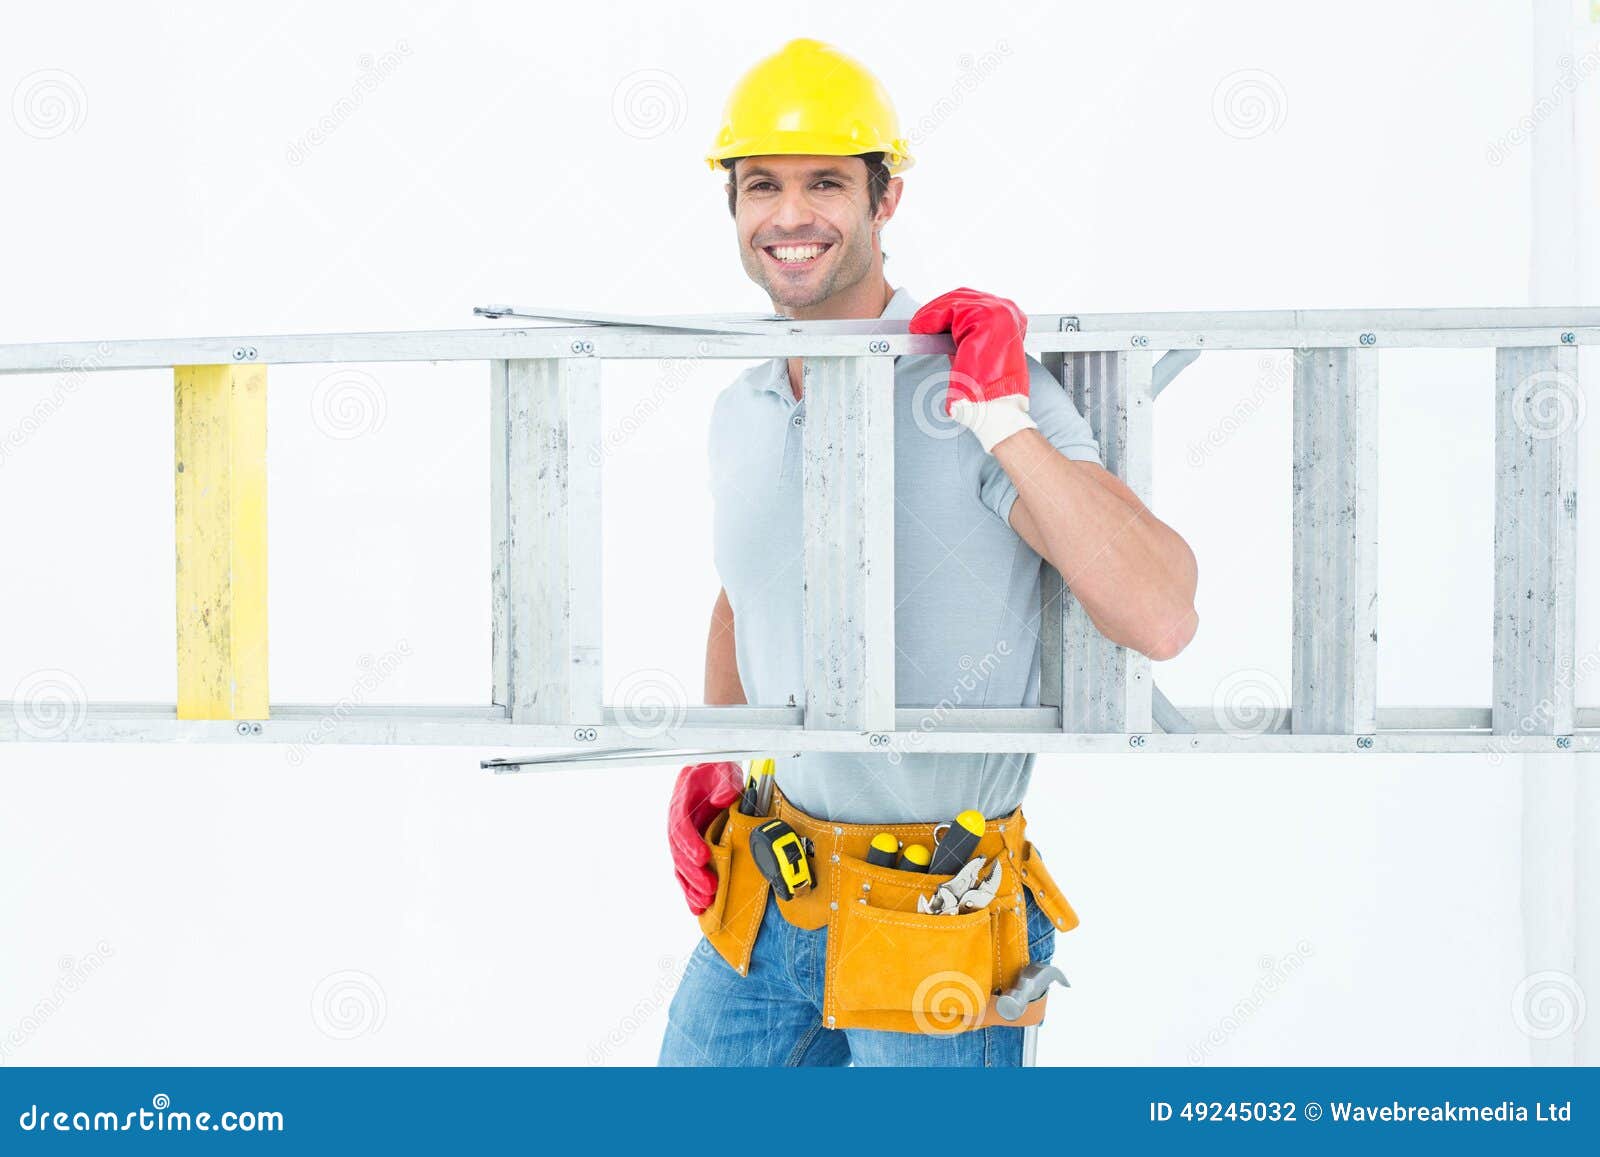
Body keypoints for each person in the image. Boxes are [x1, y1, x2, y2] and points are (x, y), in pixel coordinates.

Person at [660, 38, 1199, 1067]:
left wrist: (999, 415)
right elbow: (745, 589)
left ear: (884, 199)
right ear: (730, 203)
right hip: (765, 896)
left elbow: (1159, 612)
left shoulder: (976, 385)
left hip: (931, 915)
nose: (790, 215)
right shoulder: (741, 401)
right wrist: (714, 759)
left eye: (827, 182)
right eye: (762, 184)